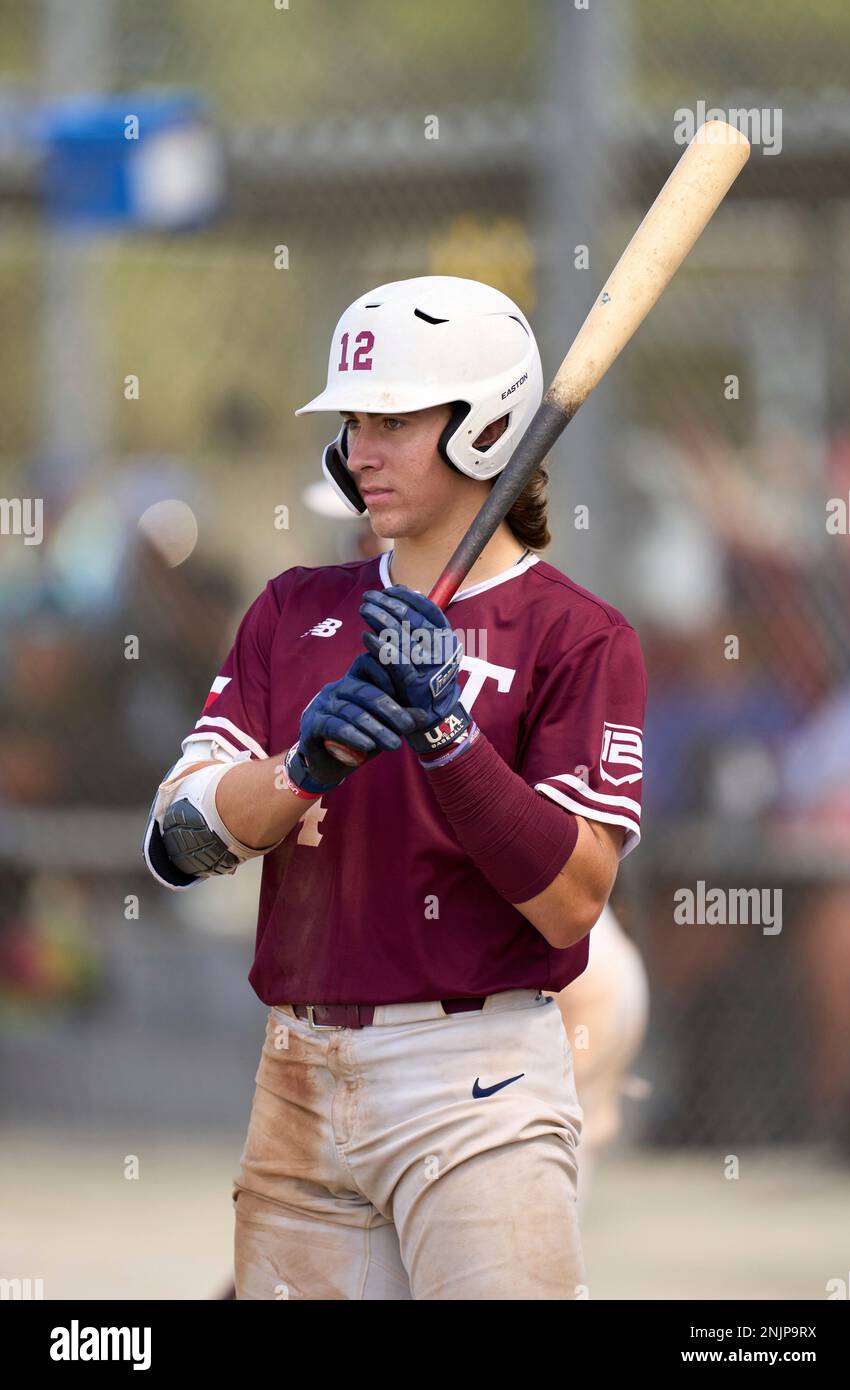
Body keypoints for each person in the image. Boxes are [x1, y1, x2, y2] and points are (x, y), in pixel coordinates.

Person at [142, 275, 647, 1300]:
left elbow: (570, 900)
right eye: (352, 423)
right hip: (297, 1067)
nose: (356, 451)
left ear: (483, 426)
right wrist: (298, 773)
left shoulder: (574, 635)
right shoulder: (293, 610)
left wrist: (447, 733)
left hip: (478, 1080)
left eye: (391, 422)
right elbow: (174, 844)